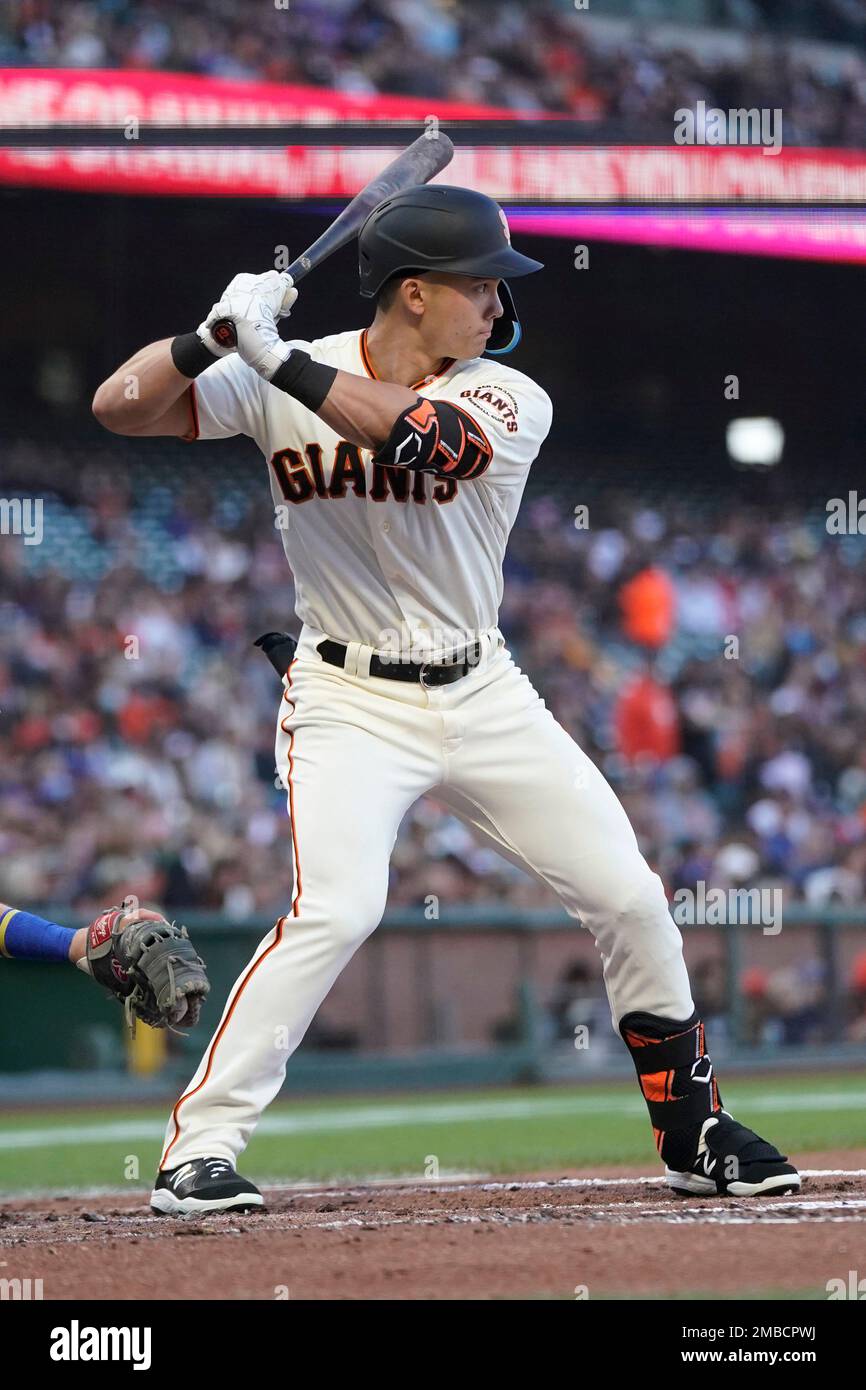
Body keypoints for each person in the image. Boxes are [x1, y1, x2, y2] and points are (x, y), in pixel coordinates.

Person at [93, 184, 799, 1214]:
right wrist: (207, 336)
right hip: (344, 694)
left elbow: (428, 443)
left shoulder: (505, 395)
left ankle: (691, 1130)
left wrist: (273, 355)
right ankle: (196, 1150)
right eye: (478, 285)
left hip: (482, 688)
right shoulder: (276, 368)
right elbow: (119, 406)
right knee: (336, 909)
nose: (496, 304)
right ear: (414, 293)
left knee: (630, 896)